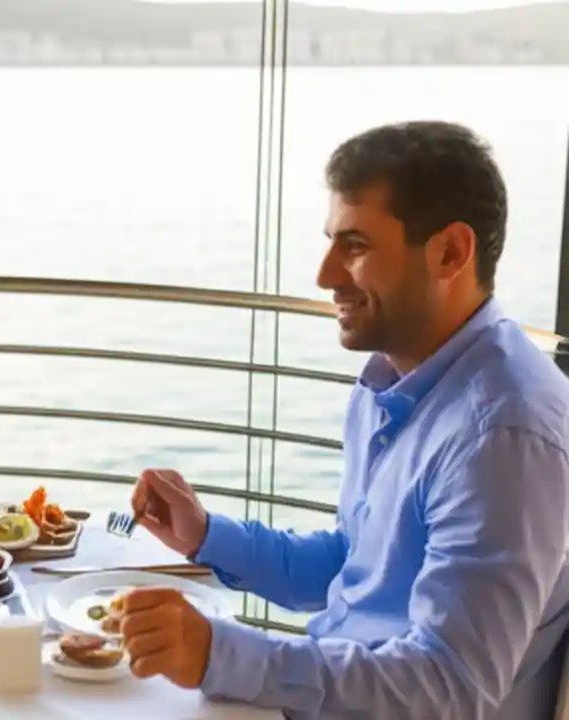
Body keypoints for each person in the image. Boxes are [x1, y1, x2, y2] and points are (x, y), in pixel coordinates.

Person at [122, 121, 569, 718]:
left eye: (354, 246)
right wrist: (205, 535)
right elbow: (355, 566)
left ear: (450, 252)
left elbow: (451, 687)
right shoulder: (393, 381)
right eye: (332, 242)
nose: (326, 275)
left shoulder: (505, 436)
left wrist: (220, 655)